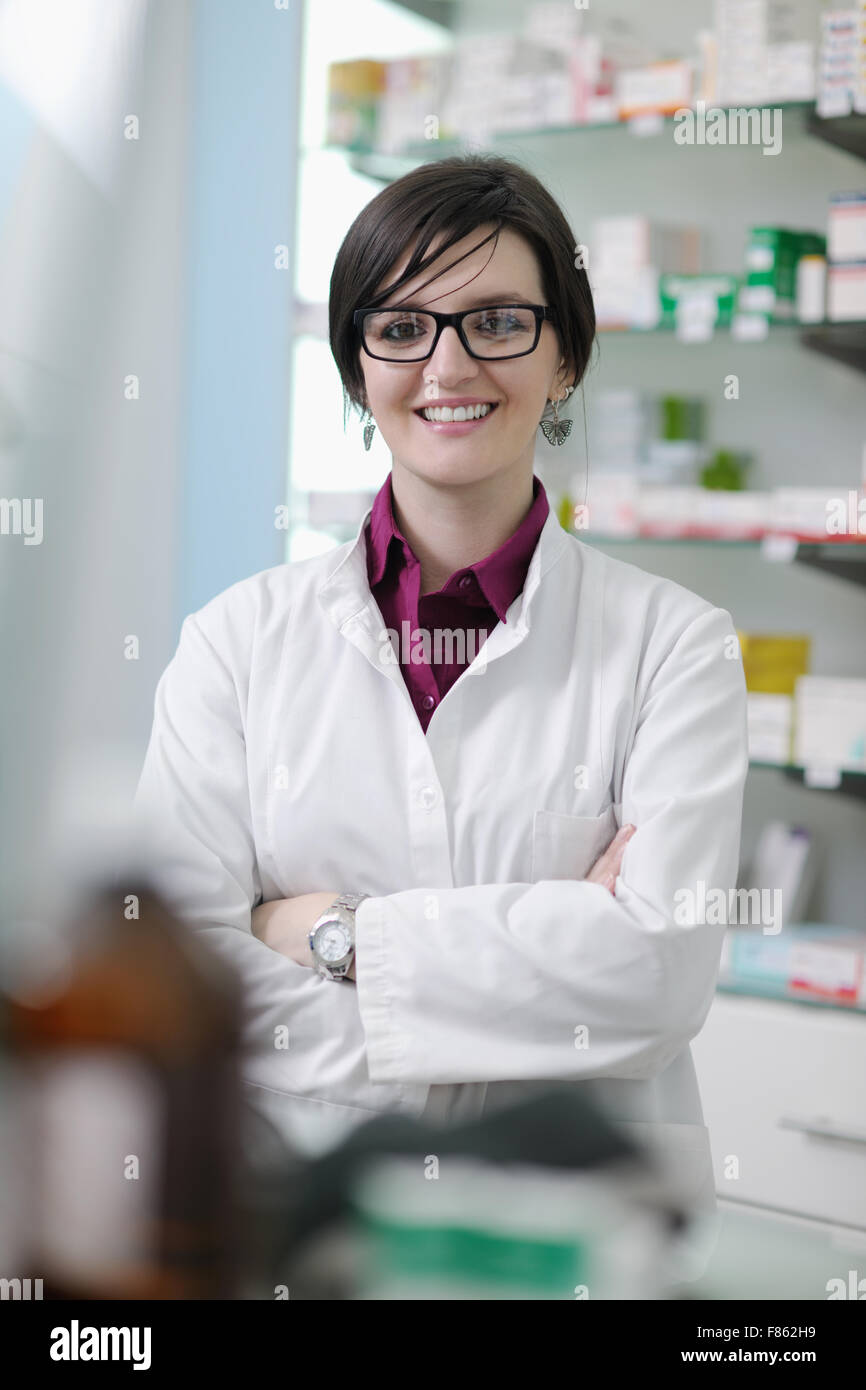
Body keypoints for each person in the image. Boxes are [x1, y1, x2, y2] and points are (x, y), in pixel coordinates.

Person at [133, 154, 748, 1217]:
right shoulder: (233, 643)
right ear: (356, 364)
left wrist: (328, 935)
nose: (448, 365)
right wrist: (547, 953)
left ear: (564, 356)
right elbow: (181, 981)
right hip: (307, 1218)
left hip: (570, 1229)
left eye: (498, 321)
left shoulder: (673, 646)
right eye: (402, 327)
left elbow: (654, 979)